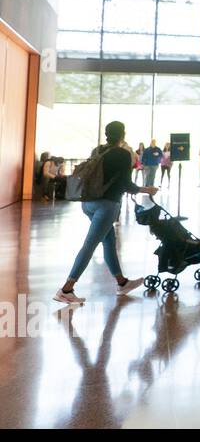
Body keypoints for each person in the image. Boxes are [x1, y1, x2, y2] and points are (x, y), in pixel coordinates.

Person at [54, 120, 158, 304]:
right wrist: (146, 190)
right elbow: (126, 184)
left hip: (88, 204)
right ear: (123, 134)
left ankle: (122, 282)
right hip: (107, 205)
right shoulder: (123, 155)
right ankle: (66, 289)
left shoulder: (97, 150)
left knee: (109, 242)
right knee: (90, 245)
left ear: (106, 134)